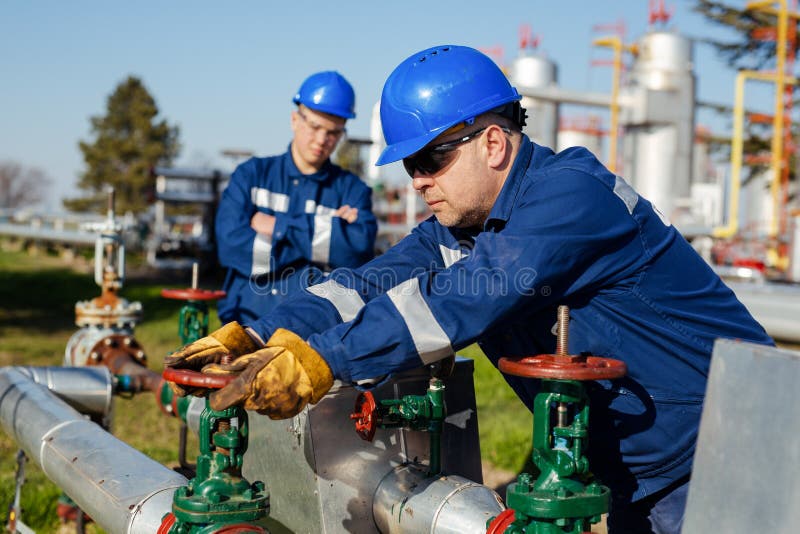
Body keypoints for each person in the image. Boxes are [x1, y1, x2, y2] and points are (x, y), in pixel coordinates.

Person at [167, 46, 773, 534]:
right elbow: (362, 283)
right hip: (635, 471)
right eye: (409, 168)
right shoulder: (461, 225)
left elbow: (461, 300)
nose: (420, 182)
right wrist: (266, 331)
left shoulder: (570, 197)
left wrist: (323, 360)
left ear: (492, 140)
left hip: (729, 456)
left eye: (431, 159)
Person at [214, 71, 377, 324]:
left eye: (333, 132)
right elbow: (231, 247)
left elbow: (355, 254)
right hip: (244, 322)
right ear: (294, 119)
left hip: (316, 334)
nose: (322, 139)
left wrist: (277, 227)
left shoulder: (352, 190)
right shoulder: (251, 175)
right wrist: (323, 237)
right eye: (315, 126)